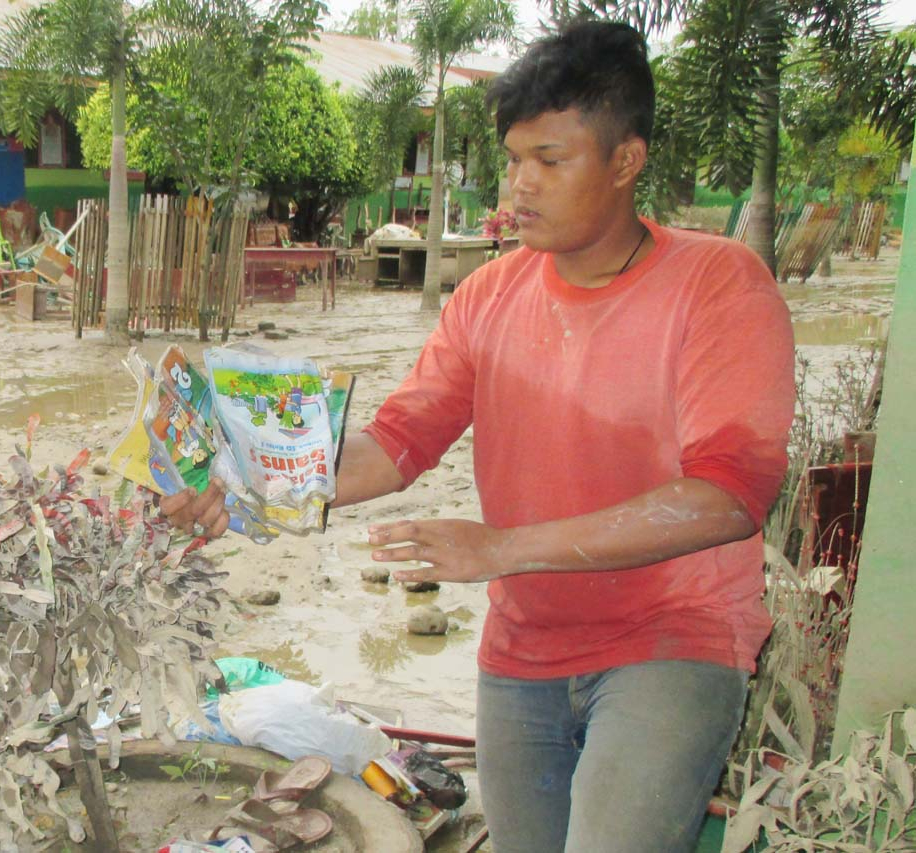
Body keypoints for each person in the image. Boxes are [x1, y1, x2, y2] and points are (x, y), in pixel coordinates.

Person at [163, 20, 794, 853]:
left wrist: (499, 547)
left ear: (624, 161)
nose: (518, 185)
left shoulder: (715, 284)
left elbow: (724, 498)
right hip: (524, 649)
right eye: (511, 160)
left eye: (549, 160)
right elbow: (395, 441)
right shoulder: (487, 295)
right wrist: (245, 478)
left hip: (673, 636)